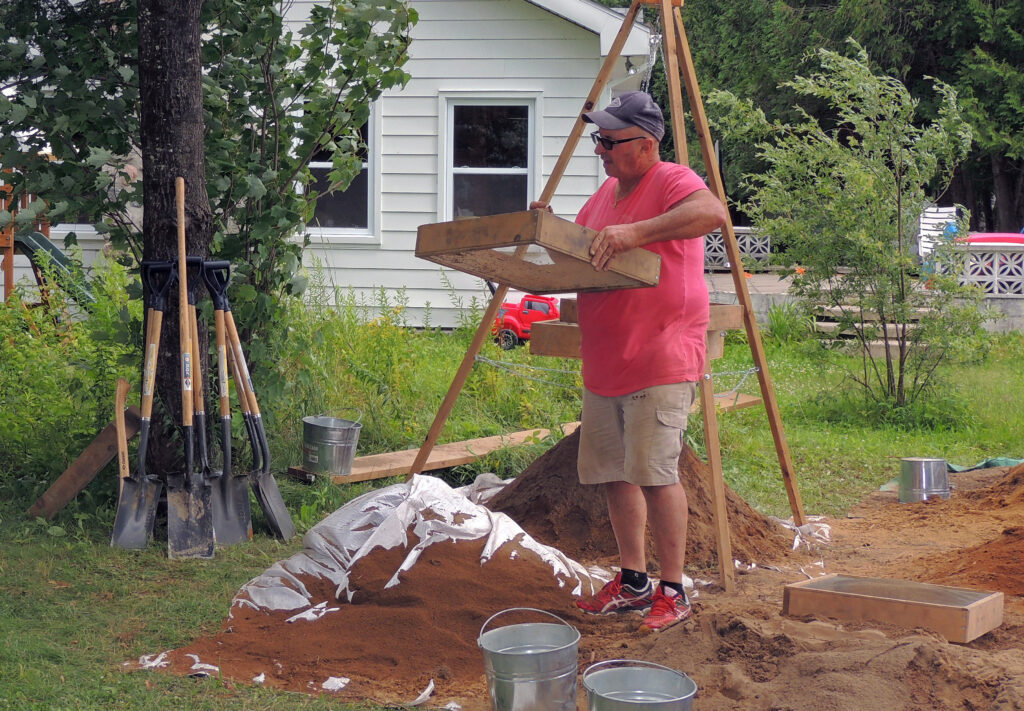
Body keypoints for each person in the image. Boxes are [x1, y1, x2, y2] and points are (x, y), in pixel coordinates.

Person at [531, 91, 727, 632]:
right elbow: (581, 253)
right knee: (615, 476)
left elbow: (713, 212)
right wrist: (547, 231)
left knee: (655, 475)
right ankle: (634, 581)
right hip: (606, 361)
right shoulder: (603, 197)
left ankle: (674, 590)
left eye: (610, 141)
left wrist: (635, 232)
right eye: (599, 139)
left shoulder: (671, 180)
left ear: (646, 145)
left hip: (660, 354)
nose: (600, 149)